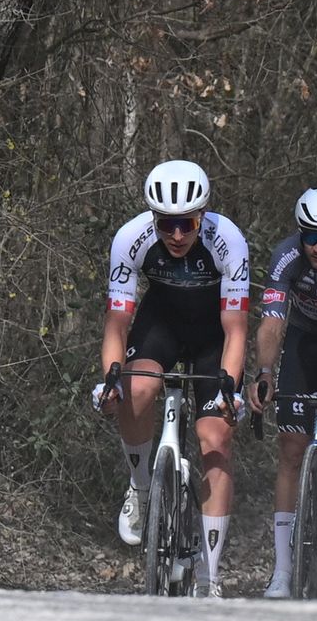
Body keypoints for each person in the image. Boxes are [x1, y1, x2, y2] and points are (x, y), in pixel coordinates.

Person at [97, 159, 250, 596]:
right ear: (154, 219)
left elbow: (236, 329)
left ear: (201, 216)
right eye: (167, 226)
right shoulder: (131, 238)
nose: (178, 235)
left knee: (215, 439)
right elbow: (116, 323)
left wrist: (230, 389)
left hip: (211, 335)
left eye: (186, 224)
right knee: (137, 388)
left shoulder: (228, 240)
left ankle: (210, 575)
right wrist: (111, 379)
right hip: (160, 324)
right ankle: (142, 487)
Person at [255, 186, 317, 598]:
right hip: (305, 341)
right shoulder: (286, 256)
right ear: (300, 235)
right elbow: (272, 323)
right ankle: (283, 572)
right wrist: (266, 372)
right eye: (312, 237)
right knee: (290, 449)